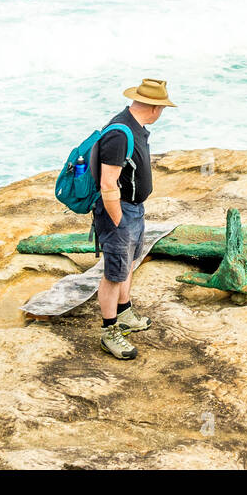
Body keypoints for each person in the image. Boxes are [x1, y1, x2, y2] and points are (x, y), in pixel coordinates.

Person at [94, 78, 176, 359]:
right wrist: (117, 221)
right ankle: (109, 331)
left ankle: (125, 311)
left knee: (128, 263)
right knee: (114, 272)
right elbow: (107, 184)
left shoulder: (136, 127)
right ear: (154, 108)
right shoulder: (120, 134)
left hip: (133, 209)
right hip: (119, 212)